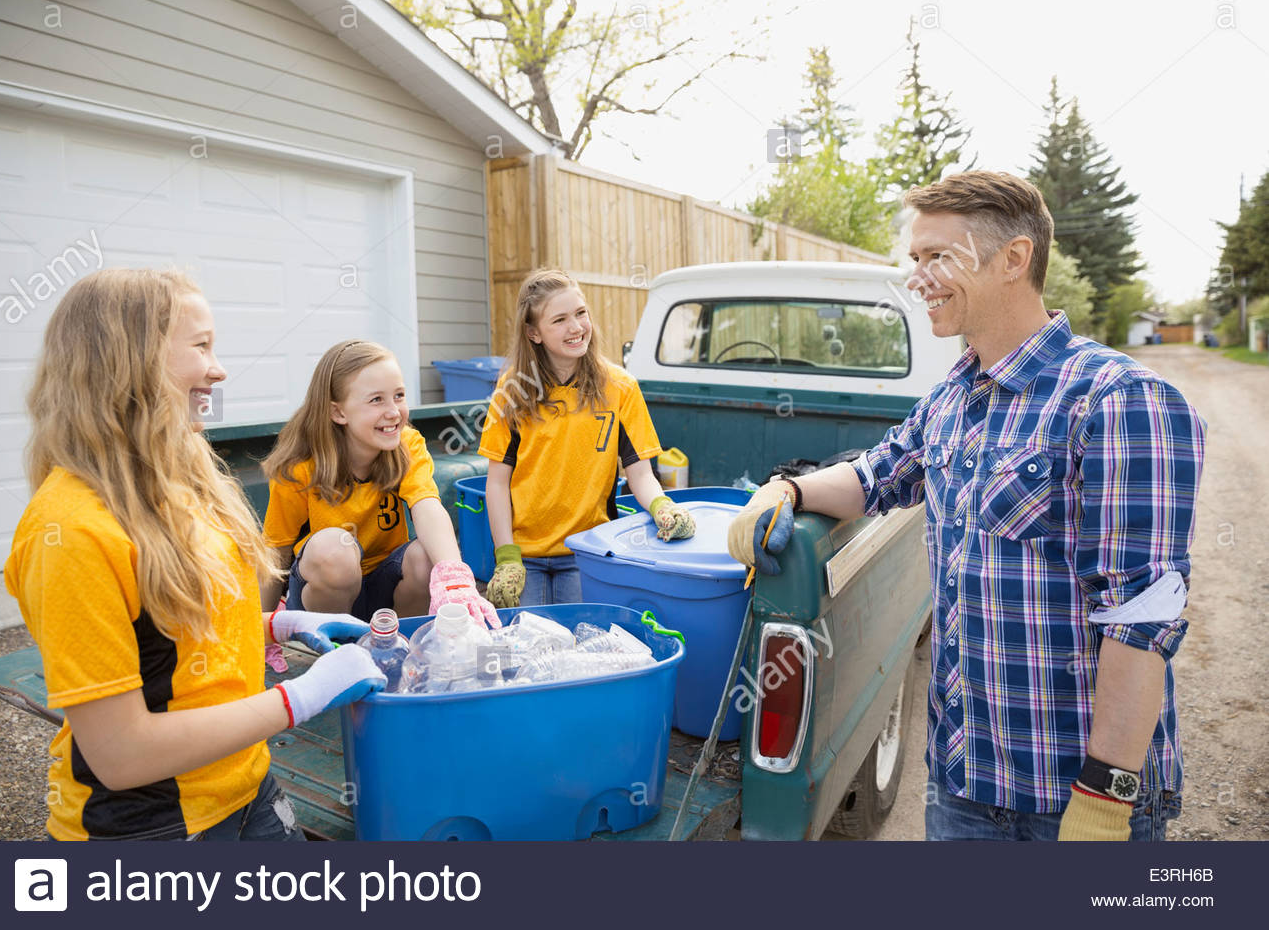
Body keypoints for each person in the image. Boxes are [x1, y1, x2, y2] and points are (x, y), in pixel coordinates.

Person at [727, 172, 1206, 842]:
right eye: (914, 260)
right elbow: (874, 477)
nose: (917, 279)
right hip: (961, 783)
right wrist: (789, 489)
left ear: (1014, 259)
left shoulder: (1120, 400)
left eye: (937, 258)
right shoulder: (953, 396)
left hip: (1068, 800)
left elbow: (1141, 618)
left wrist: (1104, 799)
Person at [4, 268, 386, 841]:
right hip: (150, 827)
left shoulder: (179, 481)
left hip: (247, 784)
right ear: (128, 359)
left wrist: (277, 623)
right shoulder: (69, 531)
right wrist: (302, 695)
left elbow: (167, 642)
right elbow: (121, 753)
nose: (218, 369)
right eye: (201, 347)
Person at [478, 268, 695, 607]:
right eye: (560, 319)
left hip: (589, 549)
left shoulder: (621, 387)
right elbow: (496, 484)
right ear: (534, 333)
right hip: (524, 556)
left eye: (581, 313)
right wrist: (506, 556)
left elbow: (640, 473)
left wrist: (662, 506)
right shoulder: (511, 391)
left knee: (583, 645)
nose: (576, 327)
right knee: (532, 647)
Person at [262, 339, 497, 627]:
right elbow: (276, 553)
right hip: (323, 599)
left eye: (399, 395)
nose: (394, 412)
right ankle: (339, 647)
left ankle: (403, 642)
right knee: (334, 551)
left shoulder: (406, 445)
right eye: (376, 400)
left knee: (427, 557)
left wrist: (455, 577)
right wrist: (262, 629)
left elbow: (427, 505)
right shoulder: (299, 466)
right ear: (338, 412)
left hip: (386, 592)